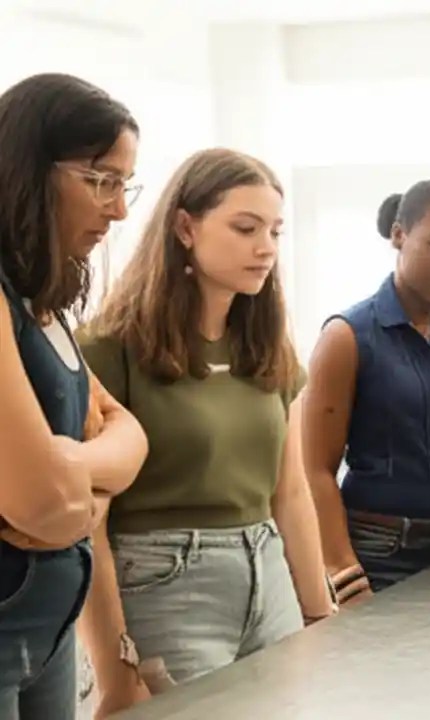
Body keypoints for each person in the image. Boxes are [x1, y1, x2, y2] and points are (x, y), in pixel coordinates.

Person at [76, 148, 336, 717]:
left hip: (270, 575)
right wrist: (115, 666)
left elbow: (289, 492)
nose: (266, 247)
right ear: (185, 227)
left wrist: (322, 619)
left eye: (274, 230)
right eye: (245, 228)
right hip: (165, 584)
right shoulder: (108, 349)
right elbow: (88, 526)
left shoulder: (268, 350)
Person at [0, 73, 149, 719]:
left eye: (123, 184)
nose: (118, 209)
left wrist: (66, 468)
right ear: (29, 170)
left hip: (49, 633)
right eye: (100, 180)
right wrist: (69, 491)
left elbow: (132, 434)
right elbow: (50, 510)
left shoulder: (44, 304)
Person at [302, 180, 430, 603]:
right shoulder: (347, 336)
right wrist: (342, 568)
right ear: (399, 235)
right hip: (377, 553)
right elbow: (316, 470)